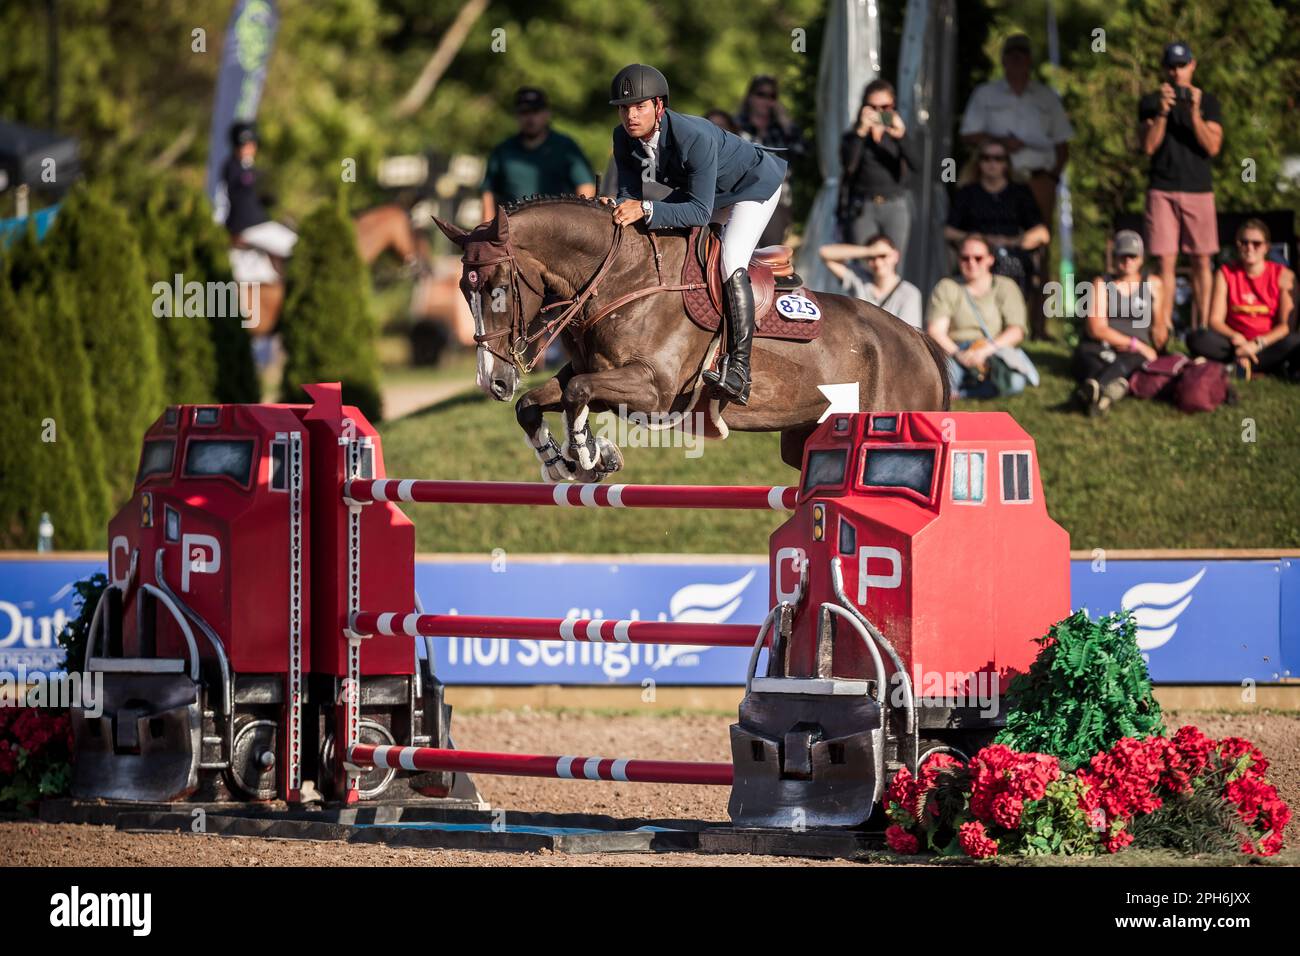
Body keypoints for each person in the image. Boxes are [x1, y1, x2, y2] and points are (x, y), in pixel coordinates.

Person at [607, 63, 787, 406]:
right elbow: (629, 193)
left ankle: (739, 369)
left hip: (752, 186)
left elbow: (699, 213)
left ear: (659, 106)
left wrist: (645, 209)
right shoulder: (623, 138)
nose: (630, 115)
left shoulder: (693, 136)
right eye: (624, 108)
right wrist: (615, 206)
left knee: (730, 257)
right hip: (711, 193)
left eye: (639, 106)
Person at [1138, 41, 1224, 332]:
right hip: (1161, 190)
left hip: (1198, 190)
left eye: (1182, 65)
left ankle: (1206, 330)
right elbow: (1149, 147)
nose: (1177, 72)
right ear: (1164, 69)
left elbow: (1212, 146)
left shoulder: (1209, 102)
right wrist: (1162, 113)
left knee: (1202, 261)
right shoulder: (1151, 102)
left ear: (1193, 65)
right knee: (1165, 264)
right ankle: (1162, 330)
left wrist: (1195, 112)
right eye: (1171, 66)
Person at [960, 33, 1073, 229]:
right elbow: (968, 135)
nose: (1017, 59)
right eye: (1012, 54)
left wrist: (1052, 179)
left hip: (1038, 179)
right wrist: (1001, 142)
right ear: (1003, 60)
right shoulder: (985, 94)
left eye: (1022, 54)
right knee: (989, 234)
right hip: (994, 181)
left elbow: (1062, 144)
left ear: (1030, 60)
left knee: (1039, 240)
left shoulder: (1047, 97)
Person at [945, 140, 1050, 336]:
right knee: (972, 262)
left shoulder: (1020, 193)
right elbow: (948, 231)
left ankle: (1008, 326)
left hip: (1011, 257)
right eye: (986, 158)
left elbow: (1042, 234)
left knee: (1008, 263)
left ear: (1006, 164)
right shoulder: (967, 193)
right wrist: (976, 239)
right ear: (978, 163)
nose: (991, 163)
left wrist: (1012, 241)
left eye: (998, 158)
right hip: (975, 255)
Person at [1187, 219, 1300, 379]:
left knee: (1295, 341)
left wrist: (1256, 344)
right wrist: (1236, 338)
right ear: (1237, 245)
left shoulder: (1284, 276)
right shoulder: (1225, 273)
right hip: (1233, 344)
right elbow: (1215, 320)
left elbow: (1286, 327)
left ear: (1266, 247)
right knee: (1197, 338)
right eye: (1244, 242)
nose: (1249, 248)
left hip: (1267, 344)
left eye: (1256, 243)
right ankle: (1253, 365)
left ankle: (1237, 365)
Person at [926, 234, 1034, 398]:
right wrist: (959, 354)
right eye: (965, 258)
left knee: (1015, 382)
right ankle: (967, 390)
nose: (971, 263)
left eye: (978, 258)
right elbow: (936, 331)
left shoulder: (1006, 286)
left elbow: (1016, 330)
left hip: (994, 349)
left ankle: (962, 393)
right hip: (955, 350)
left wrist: (984, 351)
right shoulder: (947, 286)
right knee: (940, 380)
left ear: (990, 259)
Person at [1073, 229, 1166, 415]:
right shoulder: (1101, 283)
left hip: (1135, 354)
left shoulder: (1154, 284)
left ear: (1141, 258)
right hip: (1105, 347)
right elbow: (1096, 329)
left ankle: (1094, 390)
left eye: (1132, 256)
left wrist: (1157, 339)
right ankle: (1108, 392)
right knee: (1088, 355)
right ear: (1115, 258)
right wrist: (1135, 344)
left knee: (1130, 361)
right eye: (1122, 256)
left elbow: (1160, 333)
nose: (1127, 261)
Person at [481, 87, 597, 220]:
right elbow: (489, 194)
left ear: (547, 113)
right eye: (524, 112)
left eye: (536, 111)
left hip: (557, 231)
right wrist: (487, 231)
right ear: (517, 115)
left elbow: (586, 187)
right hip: (512, 232)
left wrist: (577, 224)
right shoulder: (502, 151)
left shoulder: (565, 147)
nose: (530, 118)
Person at [837, 79, 919, 266]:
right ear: (864, 107)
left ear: (894, 106)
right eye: (873, 107)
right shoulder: (853, 137)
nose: (879, 112)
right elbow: (849, 166)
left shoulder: (897, 135)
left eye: (885, 107)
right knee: (865, 266)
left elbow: (917, 165)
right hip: (864, 206)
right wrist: (861, 132)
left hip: (895, 205)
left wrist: (902, 136)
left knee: (894, 266)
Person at [221, 122, 298, 284]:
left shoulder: (247, 167)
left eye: (251, 144)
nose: (250, 148)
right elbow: (244, 184)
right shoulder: (234, 167)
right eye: (247, 144)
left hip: (257, 222)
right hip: (249, 225)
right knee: (295, 245)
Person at [735, 75, 806, 246]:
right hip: (744, 196)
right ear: (750, 96)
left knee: (771, 252)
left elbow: (802, 153)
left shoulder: (781, 129)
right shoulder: (737, 125)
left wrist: (786, 122)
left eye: (772, 96)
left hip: (779, 200)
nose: (766, 100)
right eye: (761, 94)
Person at [818, 233, 923, 330]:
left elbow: (909, 339)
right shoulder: (859, 279)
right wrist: (869, 251)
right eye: (872, 258)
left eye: (883, 256)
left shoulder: (910, 294)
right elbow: (824, 253)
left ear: (896, 256)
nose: (878, 262)